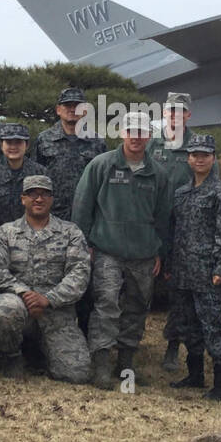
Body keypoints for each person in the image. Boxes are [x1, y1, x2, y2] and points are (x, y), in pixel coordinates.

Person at [72, 110, 173, 390]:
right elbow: (83, 207)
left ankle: (126, 361)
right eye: (131, 131)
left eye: (142, 133)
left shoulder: (158, 174)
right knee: (106, 305)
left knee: (138, 306)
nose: (136, 138)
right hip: (107, 249)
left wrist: (159, 252)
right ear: (122, 133)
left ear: (149, 136)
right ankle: (101, 363)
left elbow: (164, 217)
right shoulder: (101, 165)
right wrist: (85, 245)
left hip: (143, 254)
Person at [0, 176, 92, 382]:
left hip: (55, 311)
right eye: (32, 194)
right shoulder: (6, 232)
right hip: (18, 304)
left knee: (77, 373)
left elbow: (79, 274)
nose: (39, 199)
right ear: (23, 199)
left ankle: (38, 349)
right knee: (4, 312)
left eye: (45, 194)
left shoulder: (71, 232)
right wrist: (24, 293)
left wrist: (48, 299)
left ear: (52, 199)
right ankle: (11, 355)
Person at [164, 135, 221, 400]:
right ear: (188, 159)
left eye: (204, 155)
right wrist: (170, 265)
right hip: (183, 272)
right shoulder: (182, 193)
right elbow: (174, 232)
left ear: (213, 158)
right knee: (187, 326)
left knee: (213, 327)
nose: (199, 159)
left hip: (209, 274)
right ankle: (194, 375)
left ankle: (220, 385)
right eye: (194, 155)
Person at [146, 91, 194, 372]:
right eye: (170, 110)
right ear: (164, 113)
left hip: (184, 229)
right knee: (140, 284)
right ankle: (128, 344)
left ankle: (173, 346)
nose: (175, 115)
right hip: (152, 225)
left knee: (179, 289)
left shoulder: (196, 146)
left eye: (180, 111)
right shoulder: (151, 144)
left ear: (188, 115)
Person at [34, 87, 106, 221]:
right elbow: (36, 176)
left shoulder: (97, 142)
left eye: (77, 106)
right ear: (58, 110)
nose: (72, 109)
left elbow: (103, 181)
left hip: (88, 214)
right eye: (67, 105)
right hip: (52, 214)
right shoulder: (44, 140)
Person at [0, 122, 42, 245]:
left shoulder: (39, 172)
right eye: (9, 142)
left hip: (33, 243)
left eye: (18, 142)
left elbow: (45, 211)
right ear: (1, 145)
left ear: (26, 145)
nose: (13, 146)